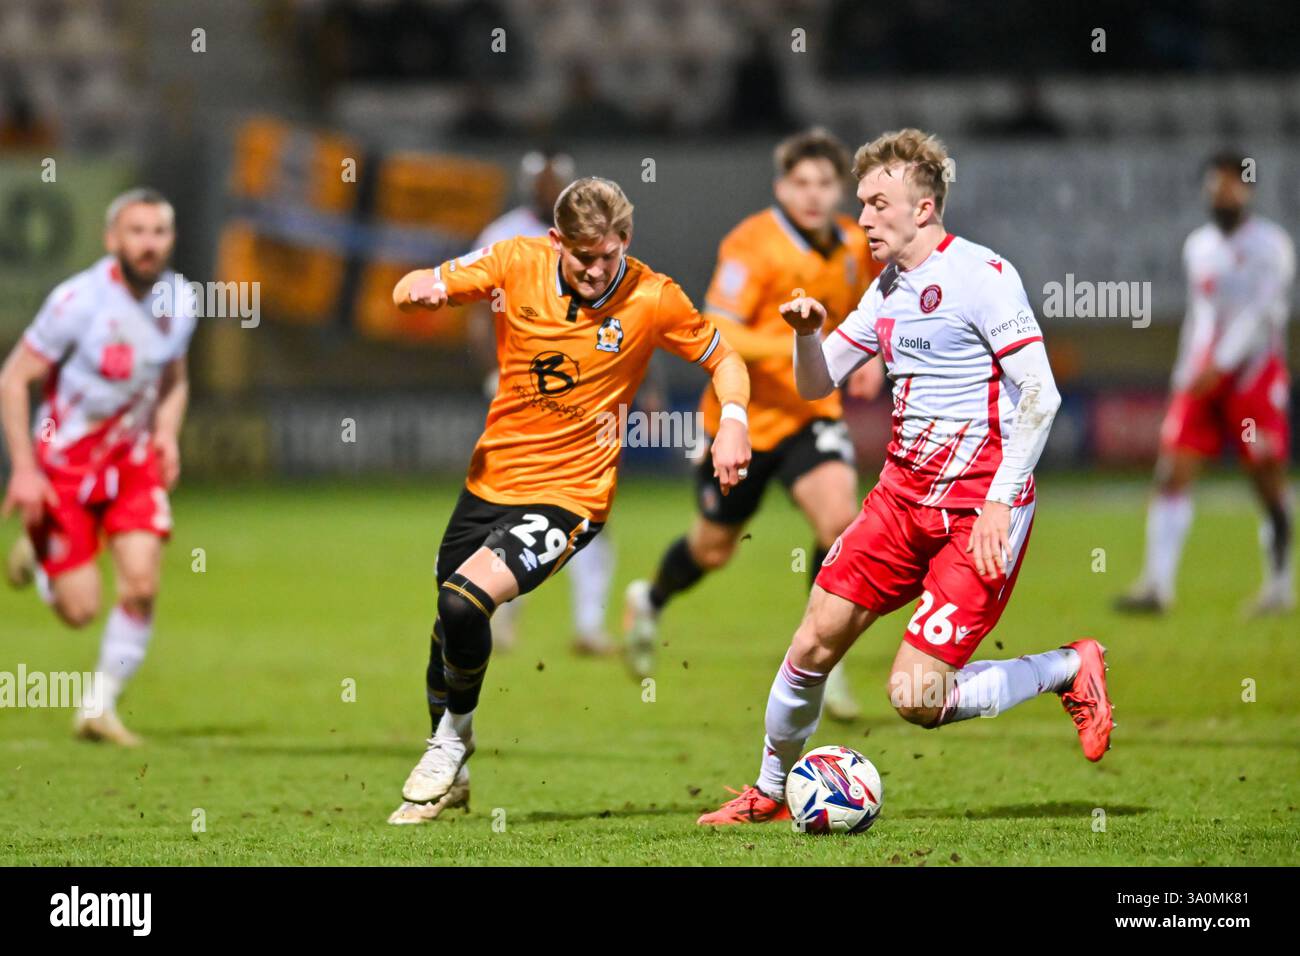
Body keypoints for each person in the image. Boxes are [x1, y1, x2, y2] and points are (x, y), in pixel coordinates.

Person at [696, 129, 1112, 826]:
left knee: (916, 698)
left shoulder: (984, 277)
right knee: (811, 642)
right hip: (899, 501)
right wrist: (805, 332)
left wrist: (1001, 504)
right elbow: (815, 381)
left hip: (978, 510)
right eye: (860, 203)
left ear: (923, 208)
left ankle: (1068, 668)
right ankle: (769, 791)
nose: (861, 219)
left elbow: (1042, 394)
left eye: (876, 203)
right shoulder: (886, 288)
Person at [385, 177, 752, 824]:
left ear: (625, 241)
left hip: (571, 495)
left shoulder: (653, 296)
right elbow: (416, 283)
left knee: (463, 599)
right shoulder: (515, 261)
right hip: (490, 480)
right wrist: (419, 291)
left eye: (607, 255)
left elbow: (725, 359)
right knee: (451, 629)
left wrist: (736, 423)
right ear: (556, 242)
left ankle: (449, 744)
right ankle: (456, 772)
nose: (594, 270)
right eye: (581, 256)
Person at [622, 128, 882, 722]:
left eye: (824, 183)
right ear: (780, 188)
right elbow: (720, 328)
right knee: (713, 549)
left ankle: (825, 661)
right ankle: (652, 597)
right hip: (741, 423)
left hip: (811, 415)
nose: (814, 195)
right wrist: (802, 341)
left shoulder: (852, 241)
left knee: (841, 522)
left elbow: (869, 311)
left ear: (841, 189)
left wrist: (867, 358)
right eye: (801, 183)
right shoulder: (751, 245)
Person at [1, 188, 195, 746]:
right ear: (112, 240)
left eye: (158, 233)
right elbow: (14, 379)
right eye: (136, 232)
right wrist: (24, 470)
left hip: (132, 462)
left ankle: (97, 707)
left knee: (140, 584)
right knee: (80, 610)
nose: (148, 244)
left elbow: (174, 378)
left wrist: (165, 433)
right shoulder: (77, 301)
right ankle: (39, 554)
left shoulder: (181, 299)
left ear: (171, 240)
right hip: (63, 466)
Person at [1117, 150, 1295, 616]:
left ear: (1248, 189)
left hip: (1254, 378)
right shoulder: (1198, 246)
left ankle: (1279, 586)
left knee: (1266, 480)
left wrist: (1221, 364)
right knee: (1171, 471)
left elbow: (1261, 315)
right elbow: (1202, 316)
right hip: (1203, 378)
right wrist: (1188, 371)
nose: (1222, 194)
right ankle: (1157, 585)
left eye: (1231, 185)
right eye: (1215, 186)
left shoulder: (1272, 246)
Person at [468, 150, 620, 656]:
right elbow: (473, 308)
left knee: (591, 504)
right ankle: (501, 614)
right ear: (529, 183)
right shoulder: (501, 235)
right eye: (544, 180)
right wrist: (490, 369)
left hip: (581, 390)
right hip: (518, 390)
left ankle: (589, 624)